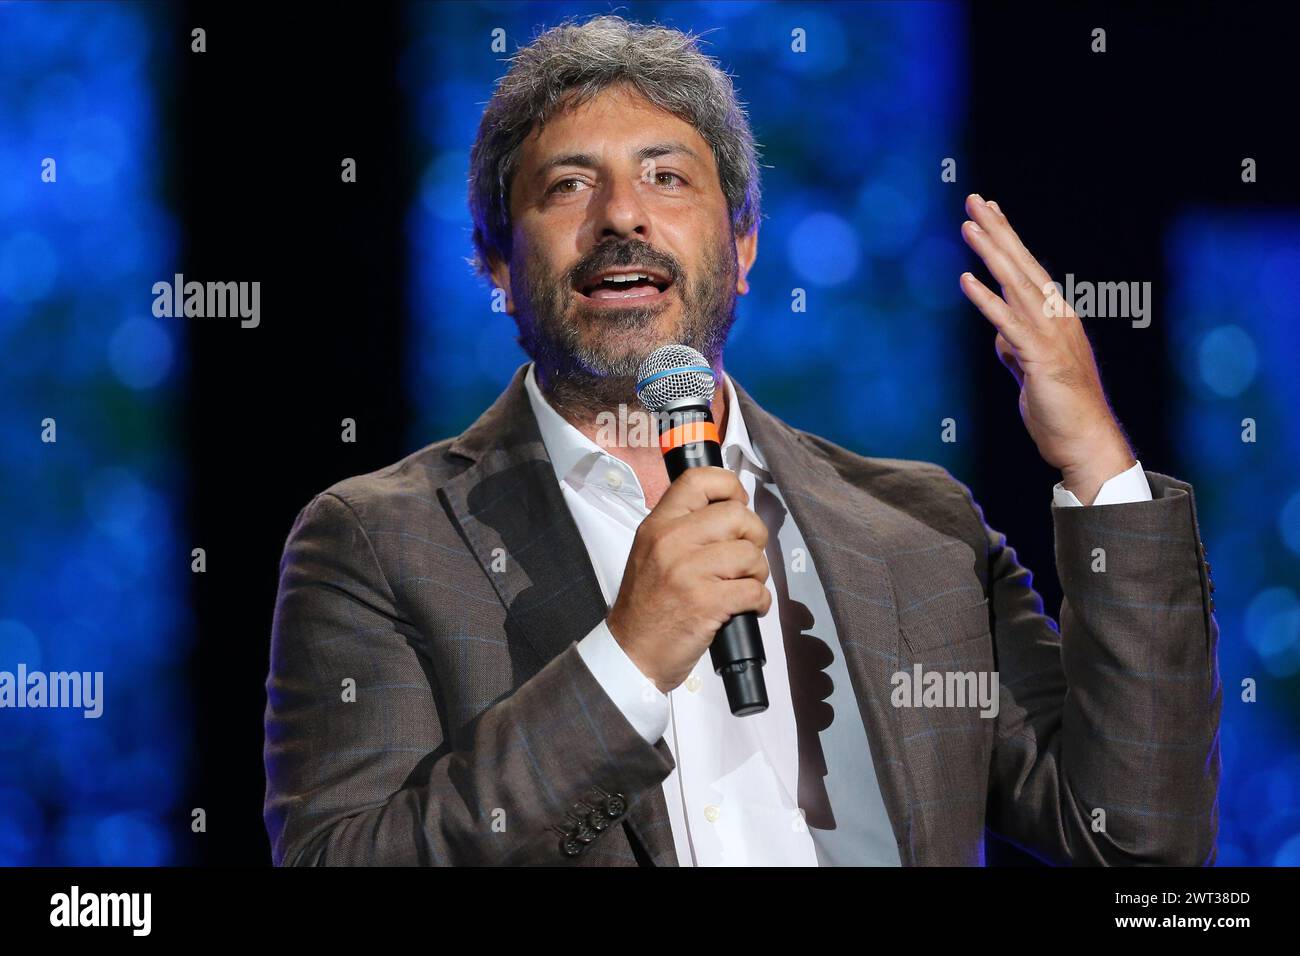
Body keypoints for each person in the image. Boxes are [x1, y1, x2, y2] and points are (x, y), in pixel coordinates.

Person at [263, 15, 1220, 866]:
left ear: (746, 246)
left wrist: (1098, 462)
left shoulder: (918, 528)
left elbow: (1138, 838)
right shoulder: (376, 543)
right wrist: (628, 660)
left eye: (668, 177)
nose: (623, 215)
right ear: (497, 264)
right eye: (567, 185)